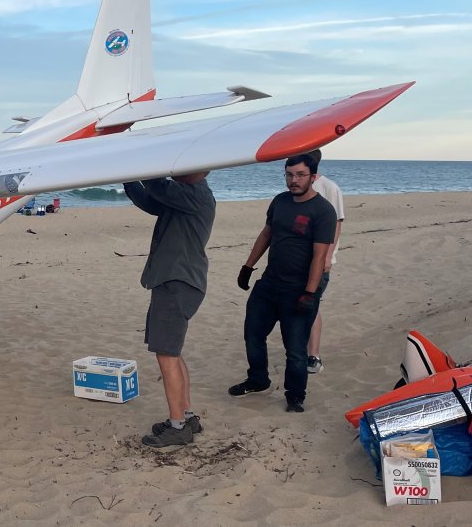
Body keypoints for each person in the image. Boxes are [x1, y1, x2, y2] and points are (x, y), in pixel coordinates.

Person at [229, 154, 336, 413]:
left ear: (313, 177)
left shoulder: (323, 211)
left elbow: (320, 255)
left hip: (299, 289)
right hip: (269, 284)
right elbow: (267, 234)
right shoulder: (280, 201)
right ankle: (258, 379)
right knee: (253, 334)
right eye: (289, 174)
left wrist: (310, 293)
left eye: (300, 175)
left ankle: (295, 395)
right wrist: (247, 266)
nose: (293, 180)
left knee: (296, 349)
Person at [123, 172, 216, 447]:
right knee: (172, 353)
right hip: (175, 281)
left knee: (167, 355)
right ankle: (187, 417)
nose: (177, 172)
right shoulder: (183, 195)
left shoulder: (195, 194)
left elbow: (157, 185)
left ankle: (178, 426)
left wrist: (138, 165)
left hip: (178, 282)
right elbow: (150, 199)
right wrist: (127, 179)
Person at [304, 149, 344, 375]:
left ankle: (314, 355)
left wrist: (328, 255)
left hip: (320, 259)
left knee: (313, 304)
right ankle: (302, 350)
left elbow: (337, 222)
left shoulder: (330, 188)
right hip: (299, 259)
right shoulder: (300, 182)